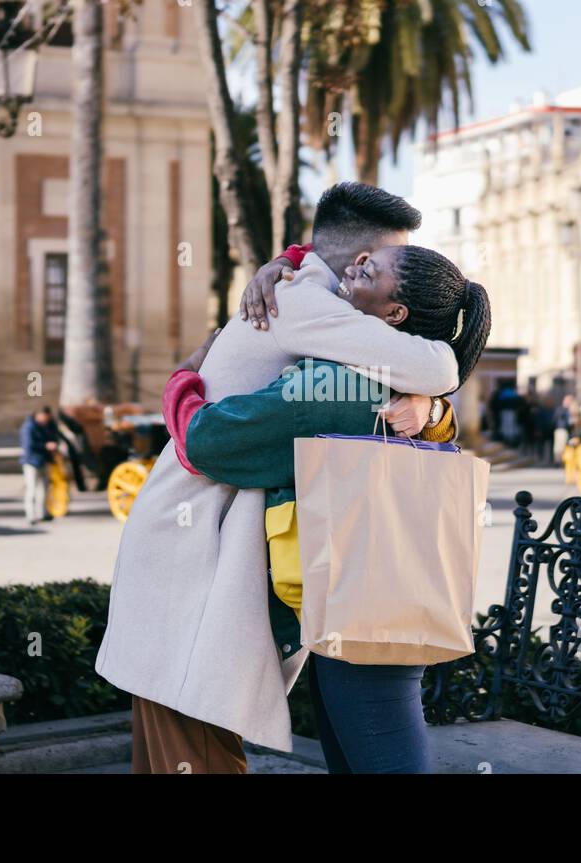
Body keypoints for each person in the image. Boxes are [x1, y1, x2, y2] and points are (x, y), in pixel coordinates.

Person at [95, 183, 460, 774]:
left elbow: (405, 381)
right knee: (192, 743)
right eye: (384, 258)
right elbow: (435, 363)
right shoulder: (306, 305)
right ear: (353, 260)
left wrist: (433, 409)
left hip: (202, 555)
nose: (375, 267)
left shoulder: (313, 304)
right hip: (194, 559)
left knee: (179, 745)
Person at [167, 245, 491, 773]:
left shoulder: (335, 381)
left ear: (394, 314)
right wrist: (286, 259)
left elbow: (209, 442)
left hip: (359, 609)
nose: (355, 264)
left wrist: (182, 383)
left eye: (372, 268)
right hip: (391, 599)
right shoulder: (409, 378)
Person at [18, 406, 59, 525]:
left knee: (44, 489)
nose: (46, 420)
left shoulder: (48, 425)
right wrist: (46, 446)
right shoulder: (28, 427)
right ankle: (31, 515)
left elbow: (54, 437)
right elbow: (29, 446)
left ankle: (42, 513)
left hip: (44, 460)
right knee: (31, 489)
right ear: (39, 415)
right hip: (31, 462)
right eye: (45, 417)